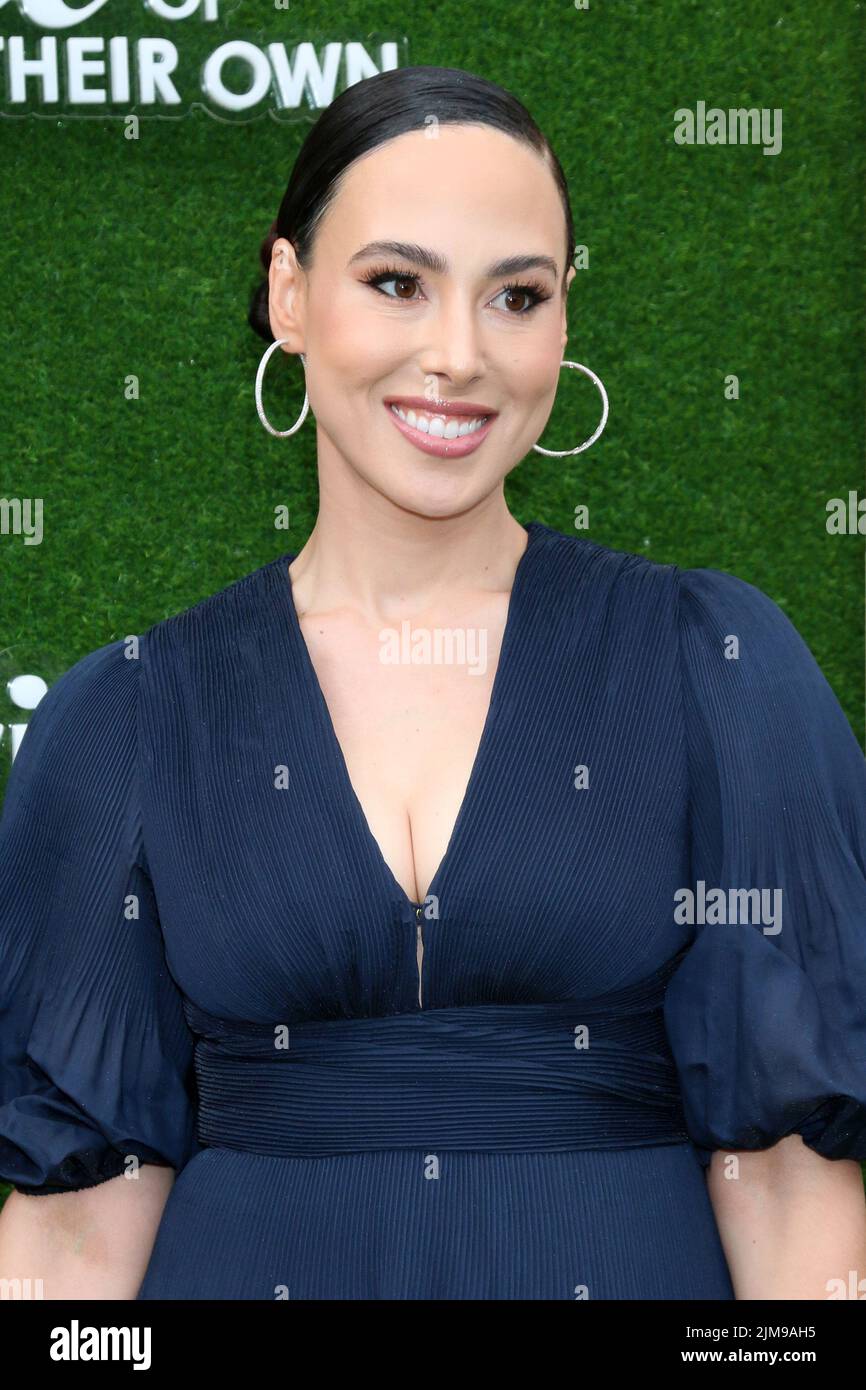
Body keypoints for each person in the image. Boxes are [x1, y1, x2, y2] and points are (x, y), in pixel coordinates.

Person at [1, 64, 865, 1301]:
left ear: (562, 321)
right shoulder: (128, 714)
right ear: (290, 293)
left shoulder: (714, 668)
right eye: (396, 283)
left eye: (515, 296)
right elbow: (79, 1226)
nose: (457, 356)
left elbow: (786, 1188)